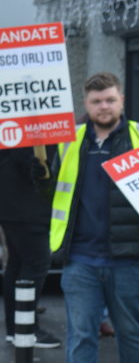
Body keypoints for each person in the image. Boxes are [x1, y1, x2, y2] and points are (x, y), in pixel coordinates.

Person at [50, 72, 139, 363]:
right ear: (86, 104)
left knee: (130, 330)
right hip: (81, 258)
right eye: (97, 101)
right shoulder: (71, 142)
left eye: (110, 100)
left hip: (130, 257)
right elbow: (54, 190)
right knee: (81, 333)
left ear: (122, 101)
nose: (104, 107)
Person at [1, 146, 60, 348]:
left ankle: (16, 327)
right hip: (28, 208)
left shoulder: (14, 126)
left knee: (17, 265)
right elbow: (35, 167)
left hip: (14, 206)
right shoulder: (30, 130)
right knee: (36, 265)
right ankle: (25, 329)